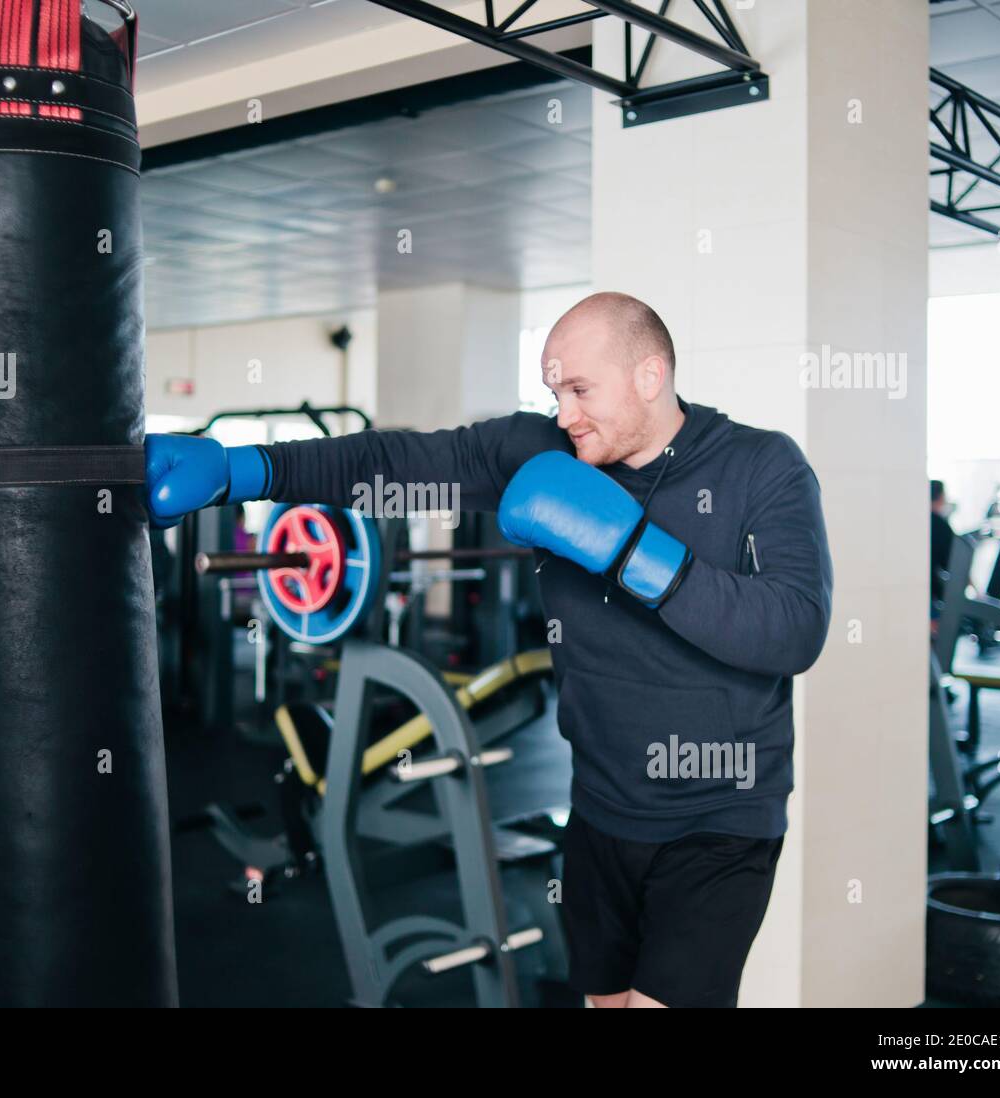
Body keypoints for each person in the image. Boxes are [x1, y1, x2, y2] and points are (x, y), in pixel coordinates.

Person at [146, 292, 833, 1008]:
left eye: (579, 390)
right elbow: (394, 460)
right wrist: (246, 469)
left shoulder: (763, 467)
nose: (564, 414)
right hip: (599, 807)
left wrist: (631, 549)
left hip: (718, 821)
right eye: (554, 392)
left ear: (650, 376)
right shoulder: (537, 452)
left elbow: (795, 628)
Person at [930, 480, 954, 628]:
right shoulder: (941, 526)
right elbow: (952, 563)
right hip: (931, 589)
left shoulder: (921, 520)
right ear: (941, 497)